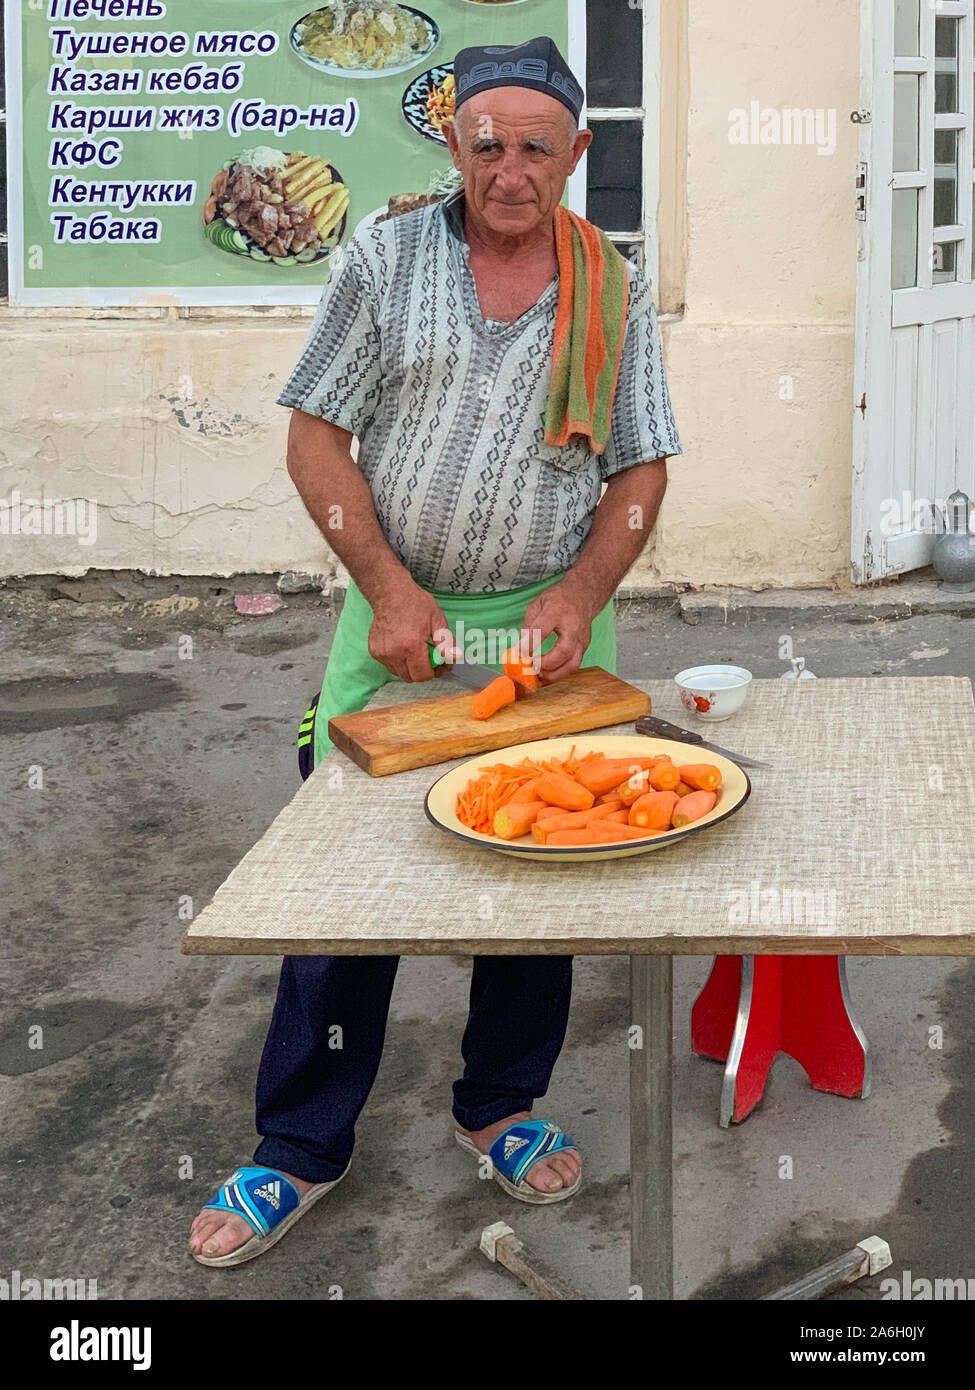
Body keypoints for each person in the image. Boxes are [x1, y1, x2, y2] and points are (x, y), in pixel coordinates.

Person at [189, 35, 682, 1268]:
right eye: (486, 142)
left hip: (544, 631)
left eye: (535, 146)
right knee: (343, 891)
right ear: (452, 141)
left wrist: (581, 585)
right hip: (396, 620)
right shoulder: (383, 257)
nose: (509, 169)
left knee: (537, 879)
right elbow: (316, 436)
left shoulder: (611, 282)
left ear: (577, 153)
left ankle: (498, 1103)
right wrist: (391, 589)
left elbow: (639, 467)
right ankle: (298, 1147)